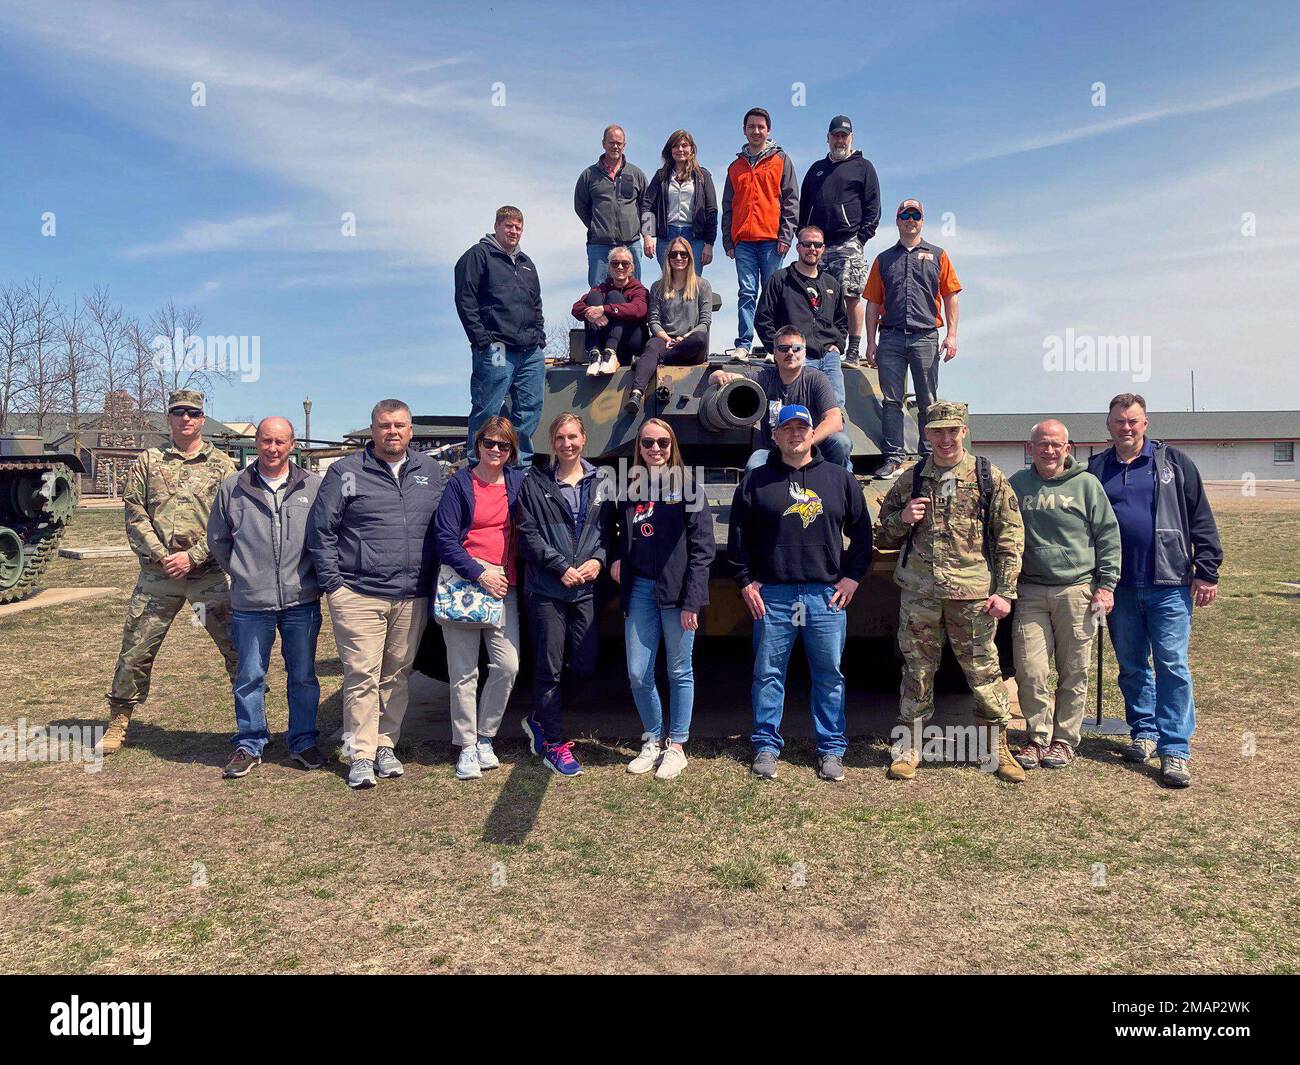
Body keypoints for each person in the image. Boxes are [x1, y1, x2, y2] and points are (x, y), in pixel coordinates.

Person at [875, 401, 1025, 783]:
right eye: (937, 431)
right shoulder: (911, 479)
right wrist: (902, 518)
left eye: (952, 430)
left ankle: (996, 744)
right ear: (927, 434)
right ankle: (908, 747)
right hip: (921, 593)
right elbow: (882, 533)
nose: (945, 438)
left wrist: (1005, 591)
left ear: (964, 432)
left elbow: (1009, 537)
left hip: (972, 593)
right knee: (918, 670)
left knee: (983, 671)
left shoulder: (988, 477)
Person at [728, 405, 873, 782]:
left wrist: (852, 578)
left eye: (802, 427)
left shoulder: (839, 479)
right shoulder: (756, 481)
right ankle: (765, 745)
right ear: (775, 436)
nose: (795, 434)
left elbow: (862, 534)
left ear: (813, 434)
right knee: (768, 673)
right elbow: (738, 538)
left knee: (828, 674)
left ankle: (830, 749)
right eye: (787, 428)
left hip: (825, 595)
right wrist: (745, 580)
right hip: (773, 595)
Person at [306, 399, 446, 790]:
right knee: (362, 675)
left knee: (397, 675)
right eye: (385, 425)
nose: (393, 432)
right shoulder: (347, 472)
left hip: (413, 593)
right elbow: (322, 531)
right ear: (372, 429)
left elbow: (445, 526)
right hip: (359, 592)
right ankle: (361, 754)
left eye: (400, 425)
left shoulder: (430, 471)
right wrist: (334, 585)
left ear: (411, 430)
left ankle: (386, 744)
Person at [1087, 394, 1222, 788]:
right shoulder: (1096, 469)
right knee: (1131, 665)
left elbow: (1200, 516)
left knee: (1172, 666)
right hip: (1118, 587)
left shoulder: (1173, 464)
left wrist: (1207, 570)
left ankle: (1175, 748)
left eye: (1133, 421)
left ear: (1145, 423)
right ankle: (1143, 731)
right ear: (1108, 425)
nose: (1126, 428)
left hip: (1169, 584)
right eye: (1118, 421)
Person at [99, 389, 238, 754]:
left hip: (207, 575)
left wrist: (193, 556)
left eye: (193, 413)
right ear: (169, 418)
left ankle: (250, 721)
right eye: (179, 412)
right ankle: (119, 721)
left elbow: (231, 521)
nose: (186, 419)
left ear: (202, 418)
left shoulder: (223, 465)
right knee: (136, 648)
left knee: (237, 649)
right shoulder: (148, 461)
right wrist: (164, 557)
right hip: (159, 577)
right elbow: (134, 513)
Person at [208, 416, 324, 779]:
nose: (272, 448)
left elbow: (325, 537)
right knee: (249, 675)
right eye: (266, 441)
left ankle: (303, 740)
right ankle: (250, 742)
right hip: (250, 604)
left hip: (301, 601)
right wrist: (244, 574)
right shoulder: (233, 489)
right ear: (256, 443)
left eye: (280, 442)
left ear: (292, 446)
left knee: (303, 676)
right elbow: (218, 540)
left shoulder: (314, 487)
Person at [1009, 419, 1121, 771]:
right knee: (1031, 669)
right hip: (1029, 591)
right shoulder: (1017, 484)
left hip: (1077, 590)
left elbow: (1107, 535)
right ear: (1030, 448)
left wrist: (1106, 585)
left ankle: (1064, 740)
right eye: (1042, 444)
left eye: (1056, 444)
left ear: (1067, 448)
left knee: (1074, 670)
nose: (1049, 450)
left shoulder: (1086, 485)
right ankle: (1037, 737)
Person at [610, 419, 715, 779]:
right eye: (648, 442)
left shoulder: (688, 488)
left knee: (679, 670)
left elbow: (703, 549)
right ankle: (652, 738)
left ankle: (677, 746)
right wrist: (615, 559)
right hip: (639, 588)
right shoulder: (628, 489)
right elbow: (613, 531)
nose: (656, 449)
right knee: (638, 671)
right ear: (639, 447)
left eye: (663, 443)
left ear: (673, 448)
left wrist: (693, 599)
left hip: (676, 591)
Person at [514, 413, 612, 778]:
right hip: (547, 588)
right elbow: (527, 535)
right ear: (551, 442)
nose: (567, 444)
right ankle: (553, 742)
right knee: (549, 667)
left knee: (584, 665)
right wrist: (559, 565)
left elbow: (608, 530)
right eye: (560, 438)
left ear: (584, 439)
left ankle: (540, 715)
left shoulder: (602, 479)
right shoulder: (534, 482)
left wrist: (599, 561)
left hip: (585, 587)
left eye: (573, 437)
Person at [433, 416, 526, 781]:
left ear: (511, 451)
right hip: (466, 585)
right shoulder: (460, 484)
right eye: (490, 443)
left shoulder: (518, 483)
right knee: (463, 673)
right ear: (478, 445)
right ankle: (467, 745)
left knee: (507, 667)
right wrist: (479, 573)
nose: (496, 450)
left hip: (505, 587)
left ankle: (486, 735)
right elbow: (445, 537)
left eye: (503, 446)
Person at [863, 199, 962, 477]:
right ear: (897, 221)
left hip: (925, 337)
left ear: (922, 220)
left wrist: (951, 335)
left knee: (927, 400)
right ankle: (893, 457)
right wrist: (870, 342)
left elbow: (950, 296)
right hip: (891, 338)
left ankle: (928, 457)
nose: (910, 219)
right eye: (904, 215)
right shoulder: (884, 259)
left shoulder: (938, 255)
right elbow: (872, 304)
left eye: (915, 215)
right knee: (891, 401)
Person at [454, 205, 545, 467]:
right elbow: (465, 299)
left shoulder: (527, 264)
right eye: (509, 226)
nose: (514, 231)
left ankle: (519, 468)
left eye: (518, 227)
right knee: (488, 409)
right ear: (496, 226)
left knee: (529, 410)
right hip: (497, 349)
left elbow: (536, 303)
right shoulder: (478, 255)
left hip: (530, 351)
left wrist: (540, 337)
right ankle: (478, 467)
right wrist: (482, 340)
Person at [709, 325, 851, 472]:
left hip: (812, 449)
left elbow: (834, 420)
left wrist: (808, 442)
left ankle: (838, 485)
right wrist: (720, 375)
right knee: (754, 467)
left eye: (796, 348)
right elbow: (714, 377)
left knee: (841, 442)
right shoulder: (764, 377)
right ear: (775, 353)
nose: (790, 353)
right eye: (783, 348)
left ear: (804, 352)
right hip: (774, 451)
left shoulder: (816, 379)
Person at [798, 115, 880, 365]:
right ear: (828, 138)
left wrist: (861, 238)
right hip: (818, 246)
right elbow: (804, 208)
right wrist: (803, 237)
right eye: (835, 135)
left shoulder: (863, 167)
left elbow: (873, 207)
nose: (839, 140)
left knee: (852, 295)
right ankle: (823, 345)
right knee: (817, 298)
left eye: (844, 135)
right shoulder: (815, 170)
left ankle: (853, 349)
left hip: (849, 243)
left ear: (851, 138)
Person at [721, 107, 798, 359]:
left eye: (761, 127)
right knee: (746, 292)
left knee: (772, 292)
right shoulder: (735, 167)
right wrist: (728, 240)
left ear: (768, 130)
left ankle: (772, 344)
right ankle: (743, 343)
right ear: (744, 130)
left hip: (772, 241)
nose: (756, 131)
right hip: (743, 241)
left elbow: (791, 201)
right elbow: (728, 206)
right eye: (751, 127)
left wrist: (786, 236)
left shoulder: (781, 160)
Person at [755, 224, 848, 409]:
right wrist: (779, 349)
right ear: (798, 247)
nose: (812, 249)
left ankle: (835, 437)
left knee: (835, 406)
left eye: (816, 244)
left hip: (829, 358)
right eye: (806, 244)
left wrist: (838, 345)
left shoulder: (831, 284)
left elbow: (841, 320)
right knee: (802, 407)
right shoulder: (780, 280)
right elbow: (763, 318)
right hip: (799, 356)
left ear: (823, 249)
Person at [628, 236, 712, 414]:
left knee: (700, 339)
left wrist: (684, 338)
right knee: (652, 345)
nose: (679, 258)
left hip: (690, 345)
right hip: (664, 340)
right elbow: (654, 321)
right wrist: (667, 339)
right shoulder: (658, 287)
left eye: (683, 254)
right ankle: (636, 393)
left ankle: (650, 361)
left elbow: (705, 322)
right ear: (668, 258)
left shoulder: (702, 286)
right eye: (674, 254)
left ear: (690, 257)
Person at [575, 124, 647, 285]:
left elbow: (647, 207)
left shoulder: (636, 174)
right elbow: (580, 206)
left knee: (633, 294)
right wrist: (598, 226)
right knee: (598, 293)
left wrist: (647, 236)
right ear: (603, 144)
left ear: (624, 145)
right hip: (599, 246)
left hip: (631, 244)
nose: (615, 146)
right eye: (611, 142)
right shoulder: (589, 175)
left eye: (619, 143)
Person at [640, 129, 717, 274]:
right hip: (667, 236)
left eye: (684, 145)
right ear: (670, 150)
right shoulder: (661, 176)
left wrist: (709, 244)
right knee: (669, 285)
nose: (680, 149)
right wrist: (647, 236)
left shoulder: (703, 176)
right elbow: (647, 205)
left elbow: (711, 210)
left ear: (691, 149)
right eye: (675, 146)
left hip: (695, 238)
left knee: (692, 285)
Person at [571, 246, 649, 378]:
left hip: (630, 342)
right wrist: (591, 315)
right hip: (604, 340)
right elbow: (576, 307)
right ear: (609, 267)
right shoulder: (602, 288)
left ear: (631, 268)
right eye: (615, 263)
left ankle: (610, 353)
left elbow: (639, 310)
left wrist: (604, 309)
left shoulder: (638, 289)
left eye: (625, 263)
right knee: (593, 297)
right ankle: (595, 354)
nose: (619, 267)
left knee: (614, 297)